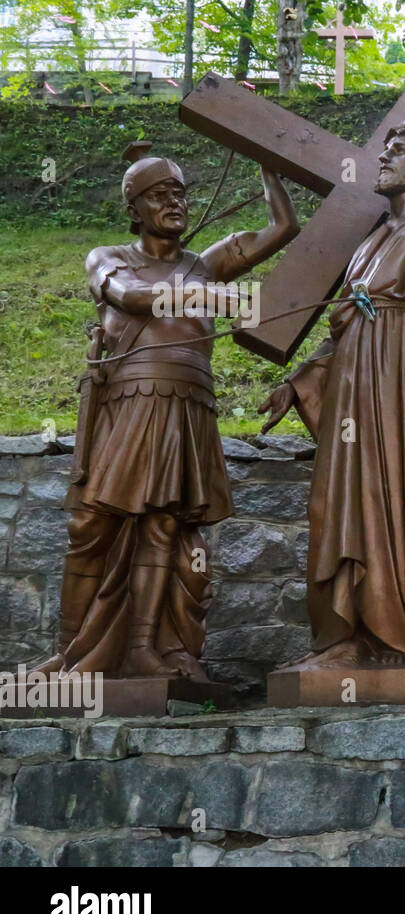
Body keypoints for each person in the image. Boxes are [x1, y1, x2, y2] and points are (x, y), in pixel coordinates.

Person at [39, 144, 299, 678]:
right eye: (160, 195)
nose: (174, 202)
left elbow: (282, 228)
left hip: (186, 401)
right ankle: (68, 653)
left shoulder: (201, 265)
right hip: (129, 399)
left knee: (163, 523)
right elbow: (131, 297)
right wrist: (214, 297)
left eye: (180, 193)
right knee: (90, 523)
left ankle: (142, 647)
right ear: (134, 208)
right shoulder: (111, 257)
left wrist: (266, 162)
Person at [260, 122, 405, 669]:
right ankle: (343, 637)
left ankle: (398, 640)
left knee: (396, 490)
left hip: (404, 374)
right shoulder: (369, 243)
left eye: (398, 150)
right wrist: (298, 381)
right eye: (384, 149)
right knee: (341, 498)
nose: (384, 157)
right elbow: (344, 325)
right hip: (353, 383)